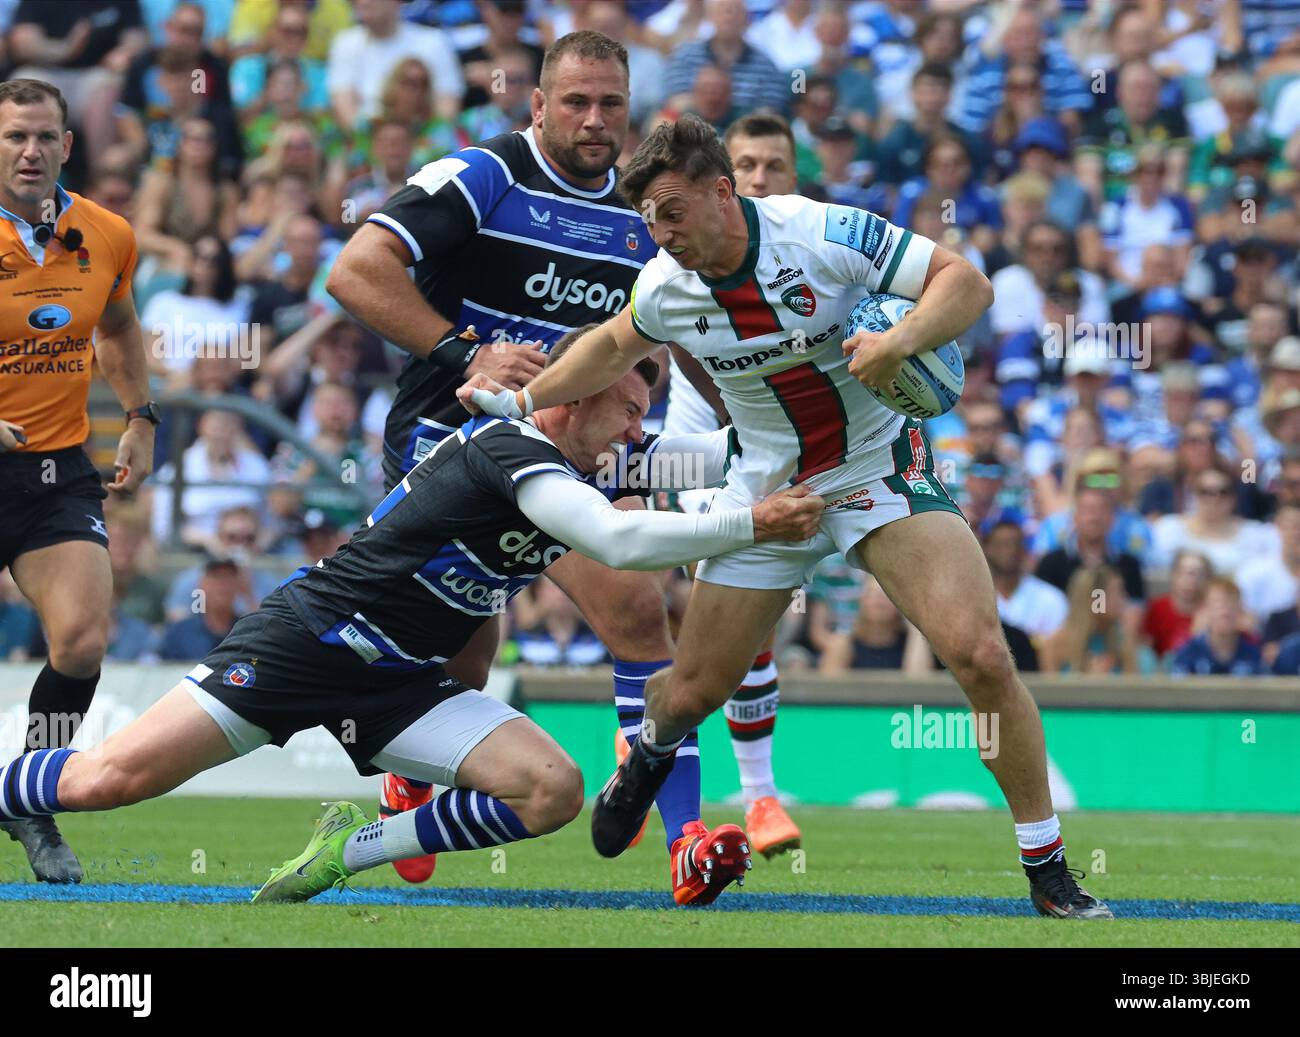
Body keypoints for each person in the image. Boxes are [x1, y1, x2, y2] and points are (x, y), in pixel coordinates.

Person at [463, 113, 1112, 920]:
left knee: (981, 655)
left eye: (672, 212)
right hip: (768, 498)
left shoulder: (822, 232)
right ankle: (650, 751)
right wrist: (523, 399)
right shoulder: (667, 285)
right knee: (692, 690)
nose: (661, 235)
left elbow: (966, 283)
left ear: (723, 192)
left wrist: (900, 340)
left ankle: (1047, 867)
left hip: (879, 469)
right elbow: (611, 345)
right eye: (649, 220)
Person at [0, 359, 822, 906]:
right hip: (305, 642)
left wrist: (819, 405)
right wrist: (755, 523)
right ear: (575, 397)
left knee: (553, 791)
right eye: (630, 412)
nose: (640, 434)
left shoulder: (602, 455)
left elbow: (720, 452)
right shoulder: (514, 446)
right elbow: (617, 541)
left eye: (646, 417)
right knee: (105, 780)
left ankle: (347, 851)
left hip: (401, 684)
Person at [325, 31, 719, 901]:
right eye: (574, 102)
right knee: (466, 659)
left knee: (635, 610)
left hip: (575, 443)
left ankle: (684, 839)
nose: (593, 119)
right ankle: (408, 787)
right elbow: (355, 271)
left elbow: (670, 331)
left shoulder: (640, 214)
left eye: (610, 104)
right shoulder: (485, 175)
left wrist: (702, 405)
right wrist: (465, 351)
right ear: (536, 104)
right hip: (450, 439)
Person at [0, 79, 156, 884]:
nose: (30, 151)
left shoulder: (106, 233)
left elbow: (120, 324)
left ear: (68, 144)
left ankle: (29, 796)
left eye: (45, 138)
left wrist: (139, 414)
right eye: (14, 136)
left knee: (83, 640)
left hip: (54, 466)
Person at [656, 110, 805, 859]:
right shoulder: (679, 254)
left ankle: (654, 734)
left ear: (792, 176)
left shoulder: (801, 247)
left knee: (744, 616)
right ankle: (757, 793)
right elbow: (667, 342)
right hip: (698, 449)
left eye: (773, 166)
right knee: (734, 597)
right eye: (746, 165)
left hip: (780, 446)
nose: (758, 178)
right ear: (722, 178)